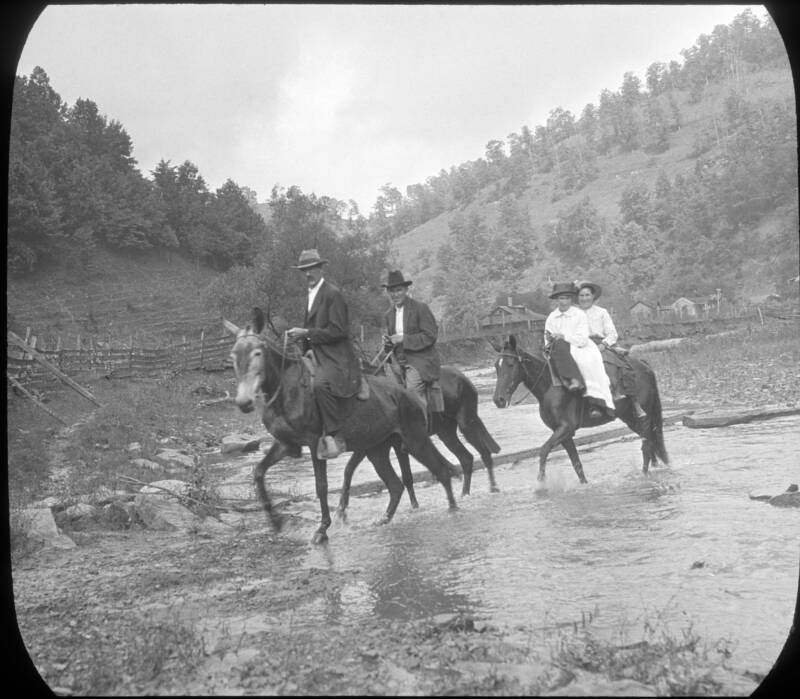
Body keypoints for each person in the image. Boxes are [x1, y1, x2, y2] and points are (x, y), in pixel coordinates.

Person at [287, 249, 362, 460]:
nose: (307, 274)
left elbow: (339, 330)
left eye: (311, 269)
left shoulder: (332, 294)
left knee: (320, 385)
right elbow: (313, 331)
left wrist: (306, 333)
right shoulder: (311, 295)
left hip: (337, 356)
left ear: (320, 268)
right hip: (316, 354)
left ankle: (335, 435)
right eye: (304, 270)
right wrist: (300, 339)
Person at [381, 270, 444, 431]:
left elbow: (430, 336)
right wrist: (387, 342)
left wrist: (403, 338)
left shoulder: (420, 308)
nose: (395, 294)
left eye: (399, 290)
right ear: (388, 293)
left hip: (420, 360)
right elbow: (391, 344)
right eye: (392, 291)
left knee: (412, 392)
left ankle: (420, 431)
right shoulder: (388, 315)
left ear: (406, 290)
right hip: (397, 362)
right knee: (385, 392)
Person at [575, 281, 647, 421]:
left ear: (593, 296)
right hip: (581, 345)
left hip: (601, 344)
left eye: (587, 295)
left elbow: (612, 334)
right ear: (577, 297)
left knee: (621, 366)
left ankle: (632, 401)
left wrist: (603, 344)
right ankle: (581, 404)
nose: (584, 298)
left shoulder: (602, 312)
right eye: (581, 295)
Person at [544, 281, 615, 419]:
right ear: (556, 300)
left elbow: (583, 338)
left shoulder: (582, 314)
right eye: (561, 298)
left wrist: (564, 337)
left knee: (587, 363)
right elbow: (547, 337)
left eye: (567, 298)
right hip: (561, 349)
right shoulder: (552, 317)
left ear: (571, 299)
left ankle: (595, 399)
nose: (564, 302)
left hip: (583, 344)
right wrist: (550, 344)